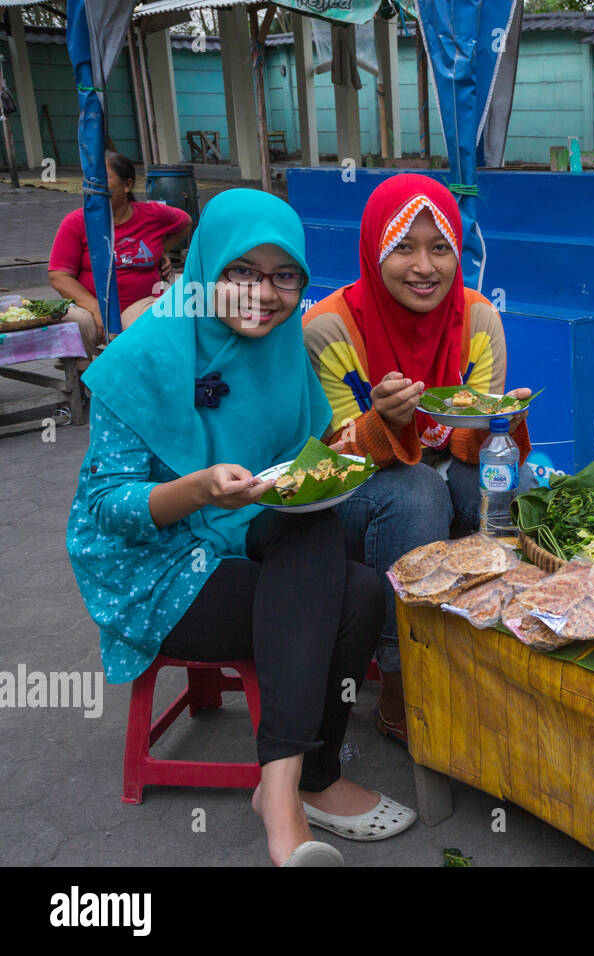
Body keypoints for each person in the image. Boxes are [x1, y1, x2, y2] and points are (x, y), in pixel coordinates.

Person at [67, 189, 414, 867]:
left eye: (285, 276)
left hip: (245, 531)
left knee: (352, 576)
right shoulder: (144, 356)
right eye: (242, 272)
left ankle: (292, 782)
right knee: (342, 595)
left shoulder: (285, 350)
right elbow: (107, 507)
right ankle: (289, 794)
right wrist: (194, 489)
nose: (265, 294)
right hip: (157, 571)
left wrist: (382, 425)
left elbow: (303, 460)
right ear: (205, 269)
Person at [303, 174, 535, 744]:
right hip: (353, 495)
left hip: (437, 463)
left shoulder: (478, 319)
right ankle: (402, 676)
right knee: (417, 493)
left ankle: (514, 639)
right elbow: (333, 458)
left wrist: (501, 423)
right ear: (374, 249)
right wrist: (388, 423)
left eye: (440, 247)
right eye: (403, 247)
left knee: (516, 481)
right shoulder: (329, 329)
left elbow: (469, 443)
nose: (424, 266)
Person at [48, 151, 192, 365]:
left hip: (142, 304)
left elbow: (185, 222)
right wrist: (96, 309)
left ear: (127, 185)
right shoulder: (76, 222)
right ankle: (82, 381)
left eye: (103, 177)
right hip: (90, 309)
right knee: (73, 320)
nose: (94, 183)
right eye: (90, 177)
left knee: (163, 317)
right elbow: (58, 276)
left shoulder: (152, 214)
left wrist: (160, 250)